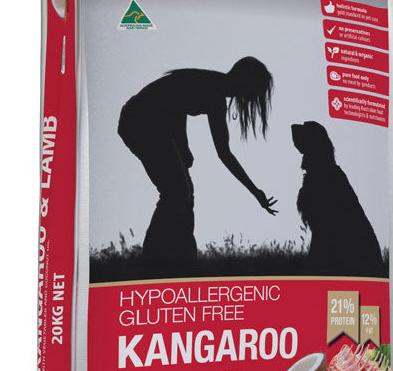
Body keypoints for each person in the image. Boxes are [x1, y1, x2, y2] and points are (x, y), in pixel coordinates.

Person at [118, 57, 278, 260]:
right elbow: (174, 102)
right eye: (256, 89)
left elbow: (224, 152)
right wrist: (183, 145)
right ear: (245, 80)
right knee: (177, 192)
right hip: (140, 119)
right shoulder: (211, 87)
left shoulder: (216, 96)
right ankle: (152, 258)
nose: (255, 97)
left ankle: (184, 260)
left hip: (148, 121)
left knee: (185, 193)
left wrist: (255, 191)